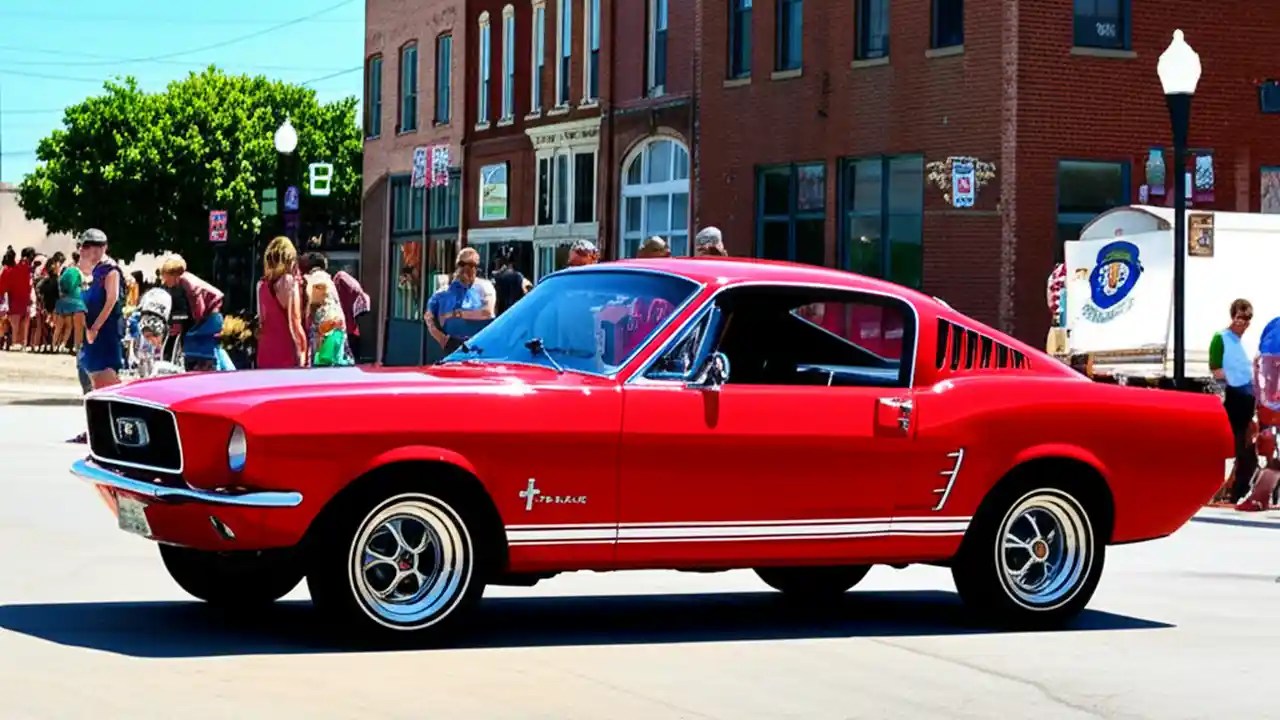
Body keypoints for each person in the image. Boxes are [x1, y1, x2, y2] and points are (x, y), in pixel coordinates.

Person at [1209, 298, 1257, 503]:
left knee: (1247, 449)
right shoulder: (1221, 338)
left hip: (1246, 398)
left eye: (1247, 319)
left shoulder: (1240, 344)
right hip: (1232, 397)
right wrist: (1233, 386)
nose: (1243, 323)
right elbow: (1216, 368)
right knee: (1235, 447)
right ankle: (1227, 491)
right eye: (1240, 318)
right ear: (1233, 317)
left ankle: (1237, 492)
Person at [157, 254, 225, 371]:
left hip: (210, 317)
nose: (164, 280)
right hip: (211, 315)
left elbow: (199, 312)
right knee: (205, 349)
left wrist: (184, 326)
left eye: (165, 276)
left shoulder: (189, 285)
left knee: (198, 345)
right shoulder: (182, 282)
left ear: (174, 274)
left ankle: (207, 371)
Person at [424, 247, 495, 358]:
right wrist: (442, 339)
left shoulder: (484, 287)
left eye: (471, 265)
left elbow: (488, 312)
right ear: (457, 266)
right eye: (462, 264)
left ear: (476, 268)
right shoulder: (442, 293)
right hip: (455, 345)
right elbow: (428, 317)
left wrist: (455, 314)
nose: (466, 269)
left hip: (481, 345)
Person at [77, 229, 126, 389]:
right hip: (92, 329)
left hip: (105, 330)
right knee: (92, 375)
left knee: (104, 378)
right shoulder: (94, 270)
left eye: (99, 246)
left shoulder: (110, 270)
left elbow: (111, 300)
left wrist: (95, 328)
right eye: (86, 247)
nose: (82, 252)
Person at [302, 252, 370, 362]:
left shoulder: (317, 278)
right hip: (336, 328)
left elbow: (314, 303)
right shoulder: (329, 280)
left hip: (326, 330)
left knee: (324, 363)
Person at [256, 236, 309, 369]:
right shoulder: (288, 282)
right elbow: (295, 323)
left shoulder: (261, 285)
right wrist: (303, 352)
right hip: (285, 351)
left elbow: (261, 322)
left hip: (265, 351)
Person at [0, 247, 35, 349]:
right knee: (21, 324)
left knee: (15, 324)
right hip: (21, 299)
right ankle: (20, 343)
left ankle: (15, 343)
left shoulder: (11, 269)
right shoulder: (23, 268)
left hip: (14, 299)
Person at [490, 245, 528, 315]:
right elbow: (527, 292)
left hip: (501, 318)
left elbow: (495, 303)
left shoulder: (495, 279)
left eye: (497, 261)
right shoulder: (520, 277)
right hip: (516, 315)